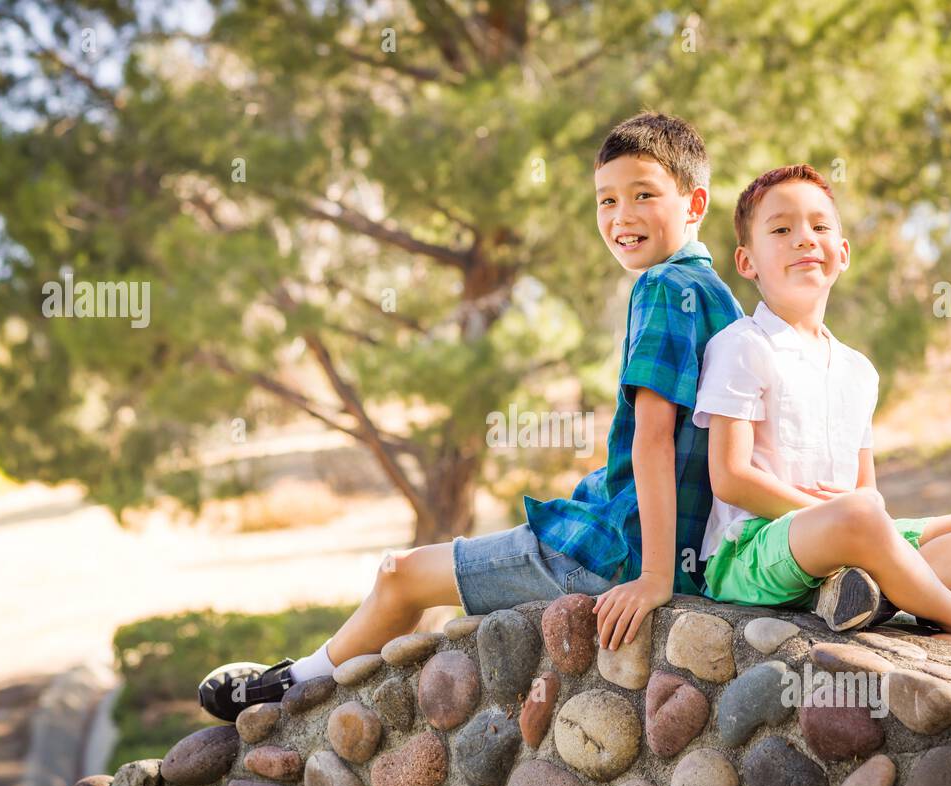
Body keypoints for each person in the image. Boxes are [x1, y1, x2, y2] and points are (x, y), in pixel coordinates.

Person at [196, 112, 746, 721]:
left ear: (694, 203)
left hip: (613, 551)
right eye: (606, 200)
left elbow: (654, 441)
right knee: (434, 602)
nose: (622, 216)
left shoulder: (664, 288)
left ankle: (288, 688)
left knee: (399, 574)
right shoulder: (718, 294)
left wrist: (654, 578)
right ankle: (326, 688)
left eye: (645, 195)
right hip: (667, 543)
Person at [694, 163, 951, 640]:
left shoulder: (857, 370)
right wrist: (825, 511)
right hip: (755, 550)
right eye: (782, 229)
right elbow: (730, 478)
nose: (805, 238)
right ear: (747, 262)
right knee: (859, 515)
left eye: (820, 226)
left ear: (843, 252)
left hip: (853, 541)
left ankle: (862, 595)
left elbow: (865, 489)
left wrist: (862, 514)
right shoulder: (743, 344)